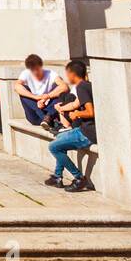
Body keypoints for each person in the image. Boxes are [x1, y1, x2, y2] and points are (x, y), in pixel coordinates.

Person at [45, 59, 96, 192]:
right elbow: (78, 104)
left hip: (88, 133)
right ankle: (57, 176)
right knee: (60, 138)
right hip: (85, 129)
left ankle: (79, 178)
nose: (67, 77)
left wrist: (77, 114)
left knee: (53, 147)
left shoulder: (81, 87)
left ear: (73, 74)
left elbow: (91, 112)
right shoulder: (88, 85)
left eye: (67, 74)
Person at [16, 53, 65, 132]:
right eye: (32, 70)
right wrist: (36, 98)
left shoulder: (51, 74)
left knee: (59, 89)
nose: (35, 72)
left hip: (50, 111)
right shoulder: (25, 74)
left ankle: (48, 118)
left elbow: (64, 87)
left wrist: (47, 97)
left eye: (37, 69)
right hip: (35, 115)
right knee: (23, 90)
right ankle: (47, 119)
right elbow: (17, 87)